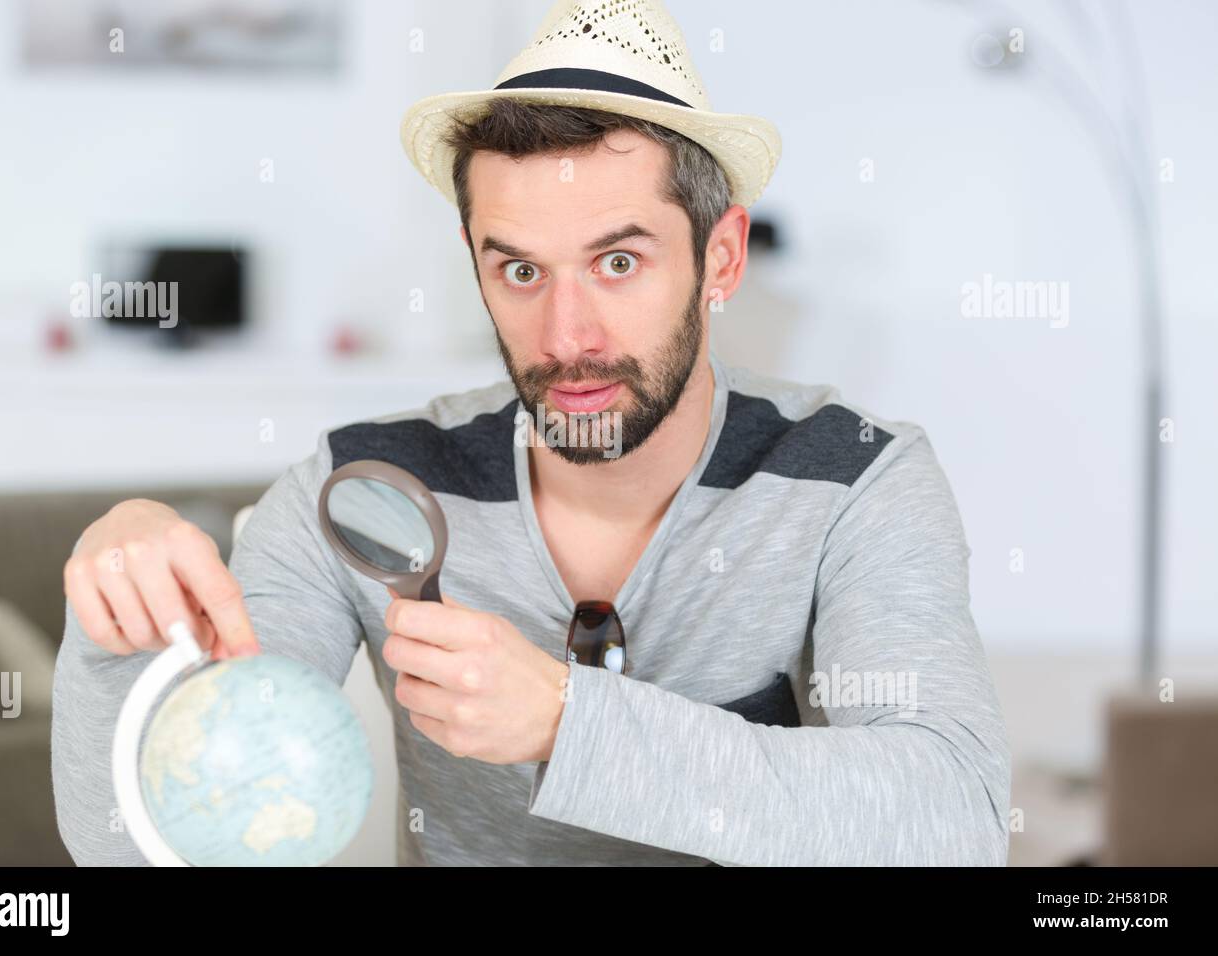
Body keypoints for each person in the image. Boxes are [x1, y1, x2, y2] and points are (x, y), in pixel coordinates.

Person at [52, 0, 1010, 866]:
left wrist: (567, 719)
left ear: (720, 258)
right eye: (520, 272)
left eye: (619, 262)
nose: (567, 339)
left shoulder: (857, 479)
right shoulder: (360, 486)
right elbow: (143, 846)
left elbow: (953, 826)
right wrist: (115, 638)